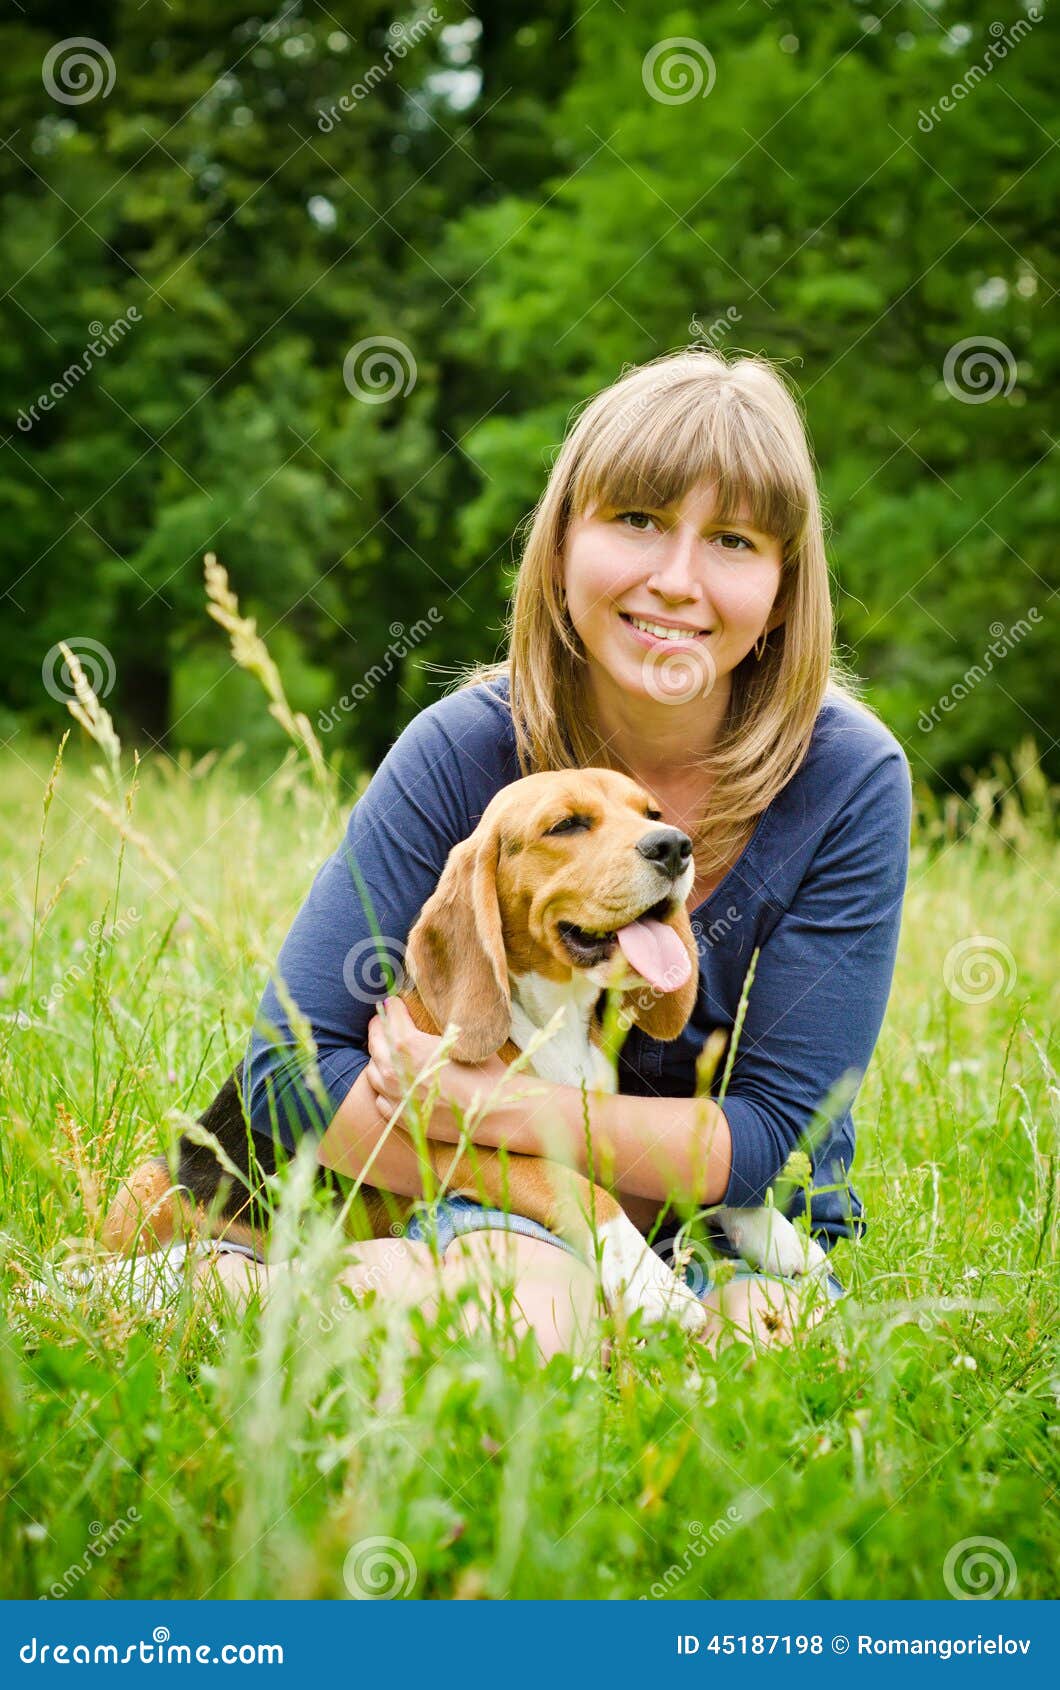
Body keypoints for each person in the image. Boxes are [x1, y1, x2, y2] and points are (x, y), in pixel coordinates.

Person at [181, 347, 912, 1359]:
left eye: (734, 540)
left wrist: (495, 1107)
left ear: (785, 589)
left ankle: (287, 1294)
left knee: (762, 1340)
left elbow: (767, 1137)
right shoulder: (463, 748)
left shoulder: (848, 777)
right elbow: (285, 1074)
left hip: (735, 1224)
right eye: (637, 520)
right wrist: (517, 1167)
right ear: (562, 546)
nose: (675, 579)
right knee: (528, 1316)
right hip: (503, 1214)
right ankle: (273, 1287)